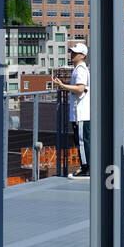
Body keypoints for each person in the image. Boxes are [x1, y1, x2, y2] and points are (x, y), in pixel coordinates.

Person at [53, 41, 90, 178]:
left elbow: (80, 89)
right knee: (80, 140)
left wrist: (63, 86)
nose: (72, 54)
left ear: (82, 55)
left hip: (81, 112)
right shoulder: (78, 68)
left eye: (75, 52)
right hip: (79, 112)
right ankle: (85, 167)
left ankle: (87, 168)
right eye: (71, 52)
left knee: (82, 141)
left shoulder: (80, 69)